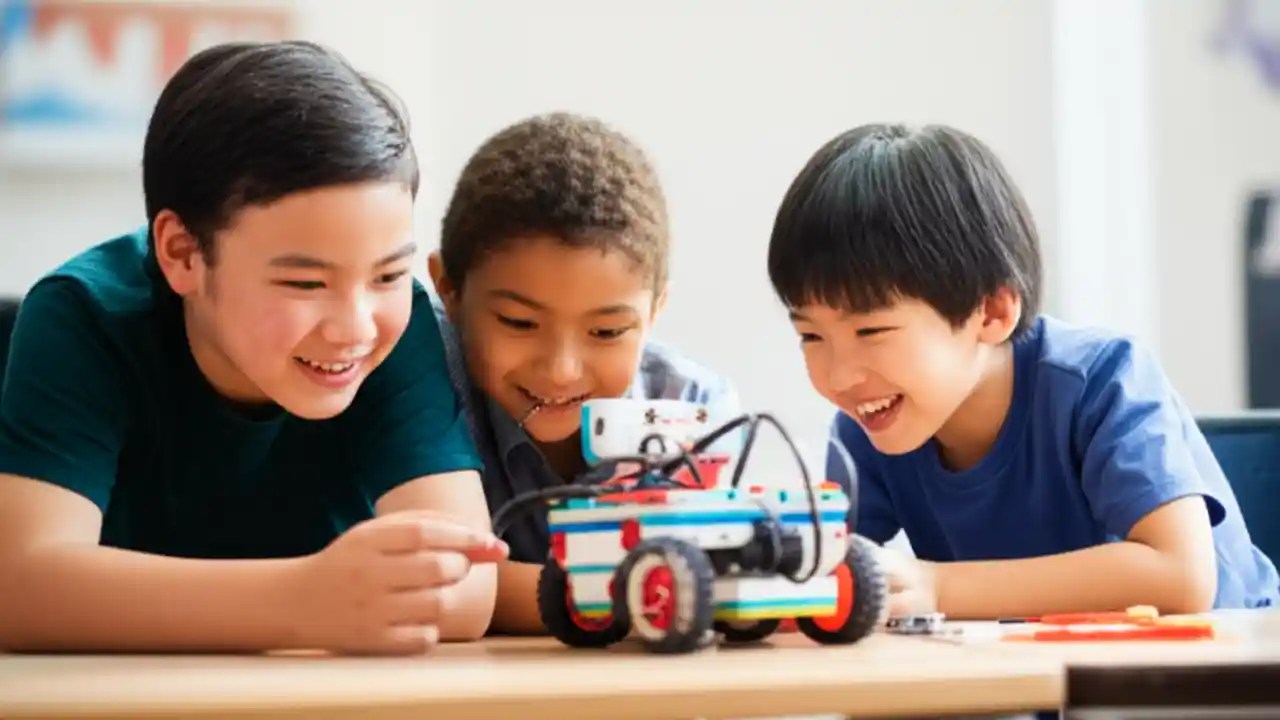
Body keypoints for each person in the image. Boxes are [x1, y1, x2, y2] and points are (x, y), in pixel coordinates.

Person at [0, 41, 506, 655]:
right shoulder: (83, 317)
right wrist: (300, 602)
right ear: (182, 254)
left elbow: (471, 583)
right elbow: (21, 588)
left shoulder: (400, 329)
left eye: (387, 275)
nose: (355, 326)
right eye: (305, 283)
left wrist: (314, 604)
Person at [766, 122, 1280, 618]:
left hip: (1219, 676)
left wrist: (938, 585)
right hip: (1039, 682)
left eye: (871, 332)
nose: (839, 377)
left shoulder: (1103, 380)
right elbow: (828, 580)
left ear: (990, 313)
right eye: (810, 336)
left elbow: (1181, 576)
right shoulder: (873, 422)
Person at [427, 112, 739, 633]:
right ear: (450, 291)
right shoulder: (424, 379)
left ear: (655, 310)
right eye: (518, 322)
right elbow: (428, 579)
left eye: (608, 332)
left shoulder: (693, 407)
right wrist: (641, 596)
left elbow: (708, 588)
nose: (561, 370)